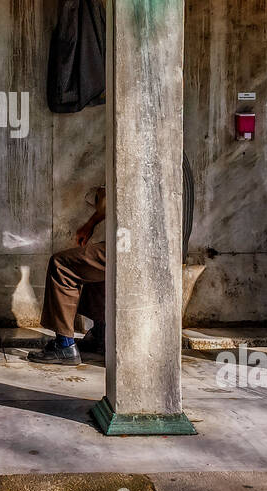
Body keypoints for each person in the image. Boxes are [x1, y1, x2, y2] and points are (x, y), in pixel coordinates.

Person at [28, 152, 194, 365]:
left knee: (62, 264)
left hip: (138, 249)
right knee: (93, 269)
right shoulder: (179, 156)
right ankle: (101, 335)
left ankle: (64, 345)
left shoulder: (142, 150)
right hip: (171, 252)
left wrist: (90, 223)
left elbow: (108, 198)